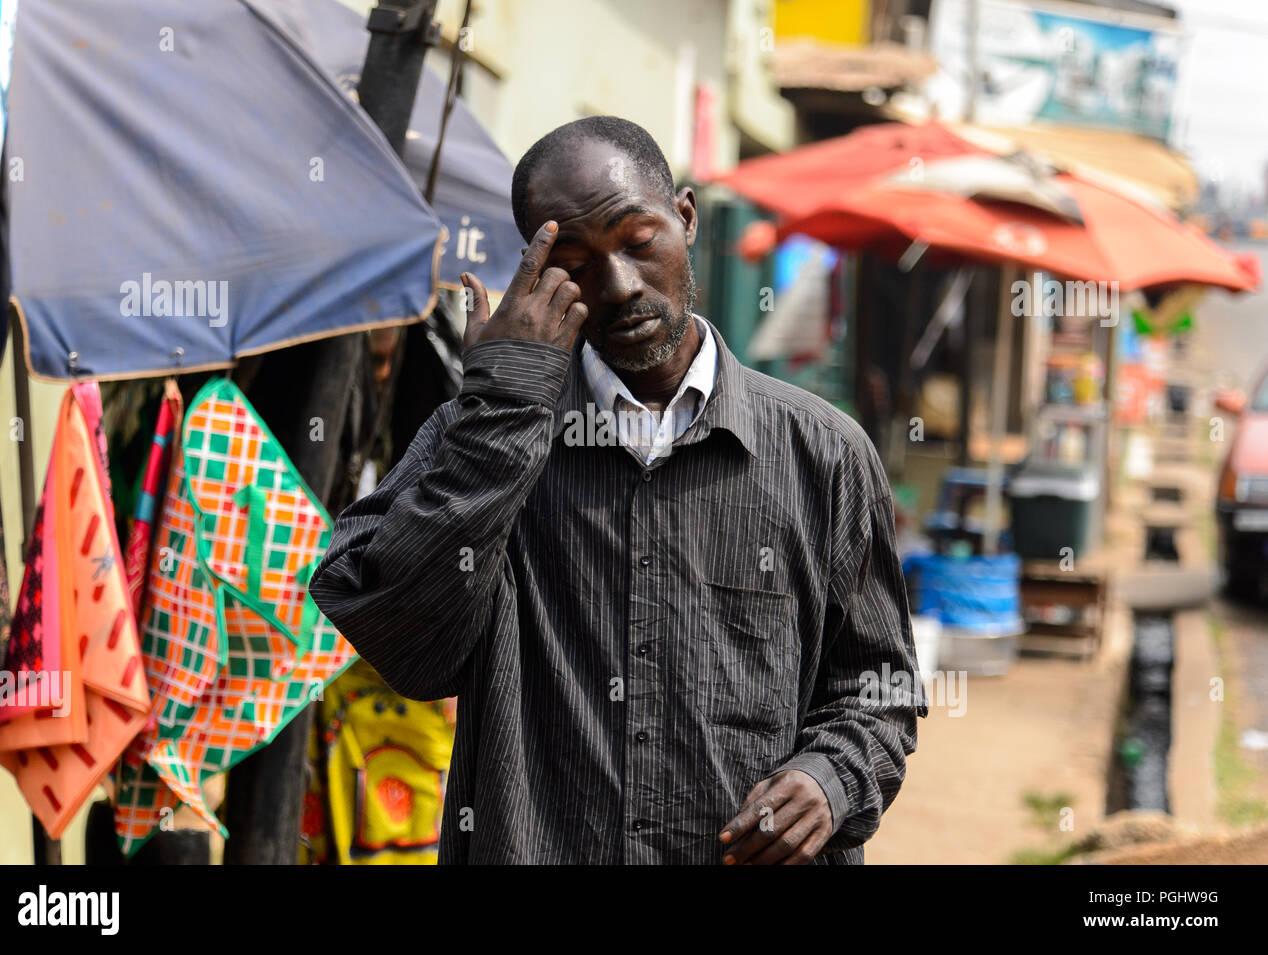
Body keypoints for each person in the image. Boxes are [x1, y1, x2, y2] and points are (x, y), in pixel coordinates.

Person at [309, 116, 927, 865]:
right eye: (575, 261)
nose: (620, 286)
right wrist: (500, 419)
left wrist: (831, 776)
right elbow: (408, 649)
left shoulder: (823, 453)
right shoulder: (482, 433)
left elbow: (880, 685)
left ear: (687, 218)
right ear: (539, 273)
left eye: (639, 241)